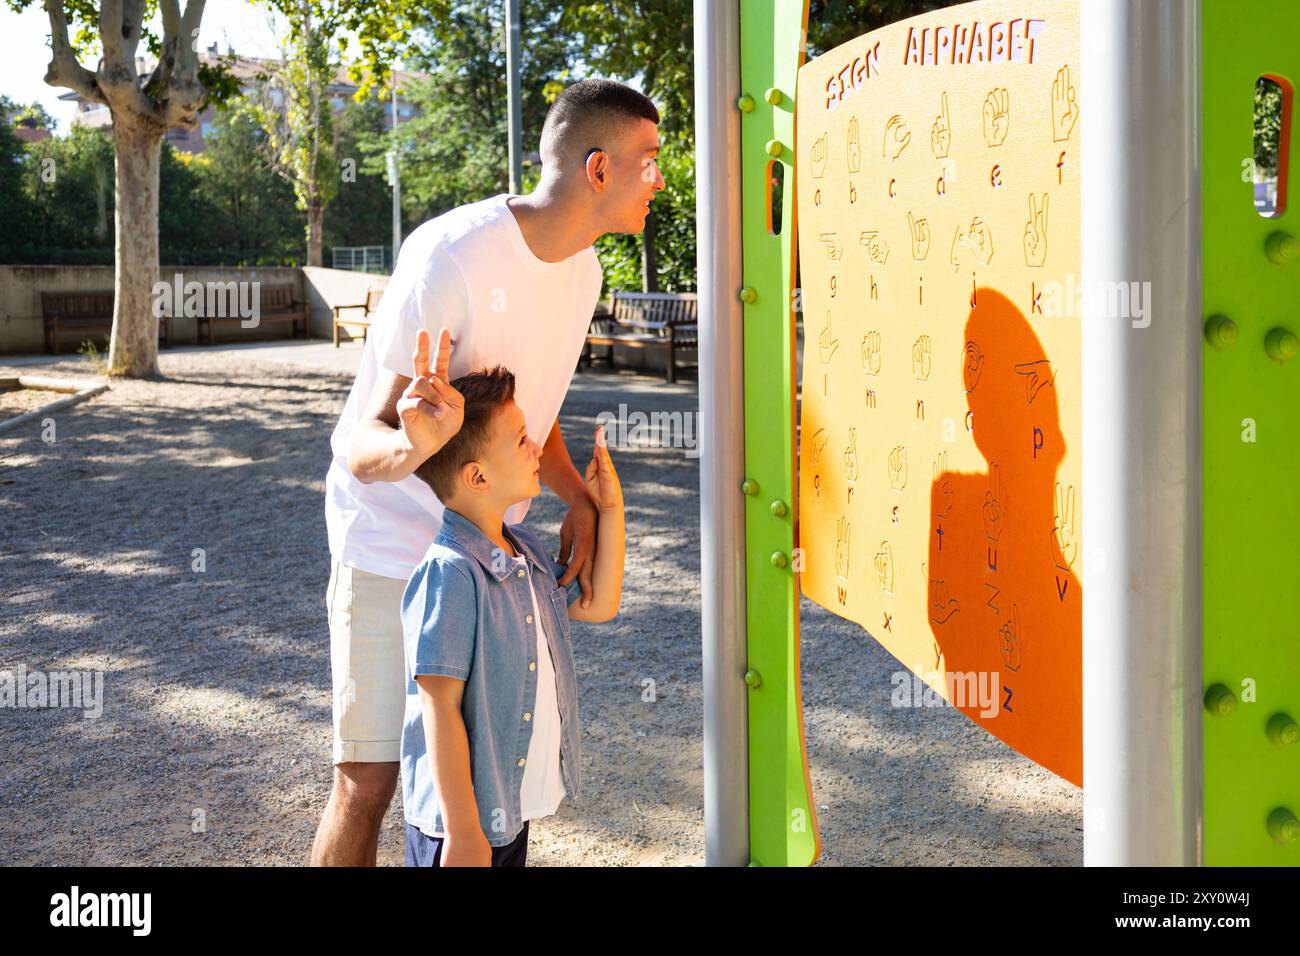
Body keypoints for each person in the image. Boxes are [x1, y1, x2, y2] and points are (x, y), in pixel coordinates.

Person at [311, 78, 663, 866]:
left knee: (481, 787)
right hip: (385, 547)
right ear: (598, 169)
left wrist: (577, 498)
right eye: (649, 160)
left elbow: (533, 418)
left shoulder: (585, 274)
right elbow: (358, 443)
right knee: (368, 783)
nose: (661, 179)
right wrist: (415, 448)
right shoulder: (451, 258)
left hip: (484, 561)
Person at [400, 367, 625, 866]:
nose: (538, 449)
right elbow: (439, 711)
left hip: (505, 813)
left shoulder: (525, 552)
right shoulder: (451, 574)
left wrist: (610, 509)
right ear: (477, 476)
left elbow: (598, 603)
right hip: (458, 831)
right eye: (522, 439)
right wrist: (462, 834)